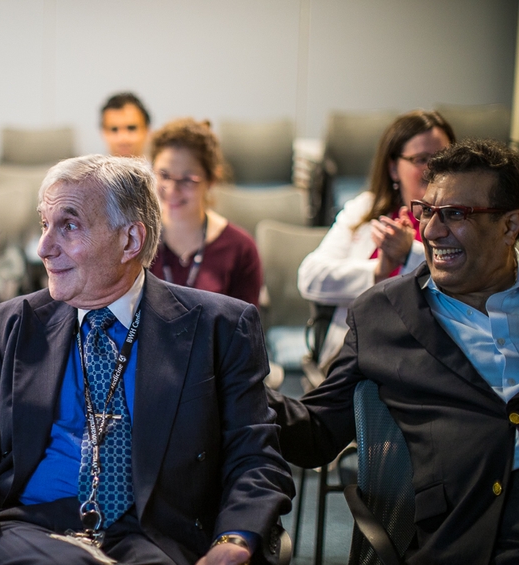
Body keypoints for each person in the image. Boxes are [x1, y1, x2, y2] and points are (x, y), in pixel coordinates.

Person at [0, 155, 293, 565]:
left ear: (130, 240)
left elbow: (254, 458)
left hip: (156, 535)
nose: (44, 248)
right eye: (44, 225)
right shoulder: (9, 327)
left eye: (68, 226)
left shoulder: (219, 327)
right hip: (28, 531)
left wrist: (235, 539)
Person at [269, 139, 519, 564]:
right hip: (462, 540)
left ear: (510, 225)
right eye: (427, 211)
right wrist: (232, 380)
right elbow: (316, 434)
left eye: (455, 214)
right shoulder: (384, 313)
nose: (432, 231)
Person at [298, 110, 454, 372]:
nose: (434, 168)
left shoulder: (463, 220)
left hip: (430, 361)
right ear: (393, 168)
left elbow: (463, 291)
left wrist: (410, 254)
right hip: (357, 356)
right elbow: (310, 277)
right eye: (421, 159)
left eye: (442, 158)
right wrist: (378, 272)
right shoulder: (364, 210)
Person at [149, 118, 262, 307]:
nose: (172, 190)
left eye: (187, 179)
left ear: (211, 180)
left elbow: (245, 322)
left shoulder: (240, 248)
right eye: (164, 175)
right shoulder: (136, 240)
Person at [100, 92, 151, 158]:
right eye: (114, 129)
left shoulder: (160, 164)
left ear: (147, 130)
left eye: (131, 128)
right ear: (103, 132)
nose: (123, 139)